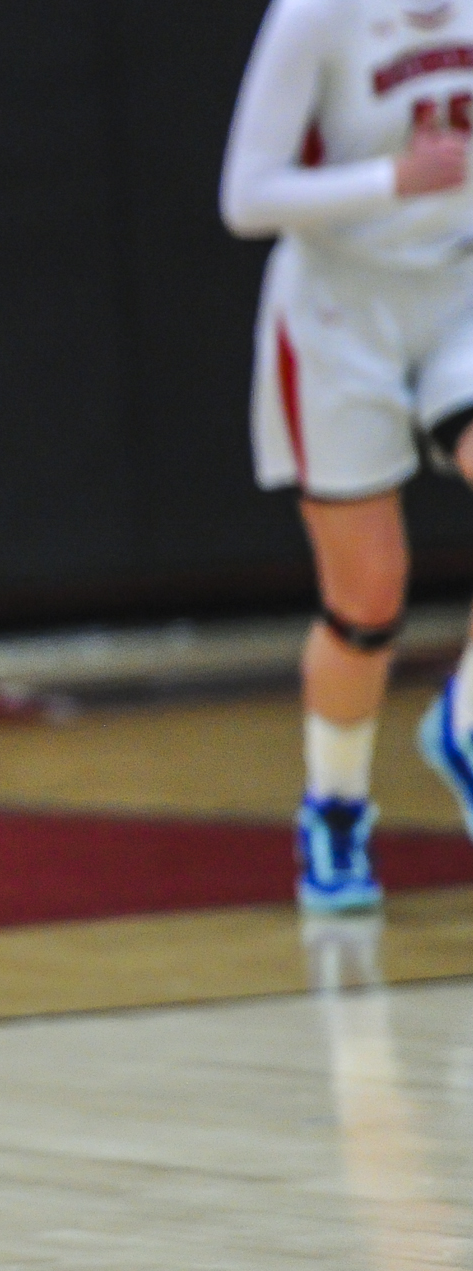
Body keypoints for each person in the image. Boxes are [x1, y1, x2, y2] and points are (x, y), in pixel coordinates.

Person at [221, 0, 473, 911]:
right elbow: (245, 197)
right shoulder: (317, 16)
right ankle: (333, 806)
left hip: (459, 287)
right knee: (367, 600)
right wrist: (391, 179)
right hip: (337, 309)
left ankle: (464, 721)